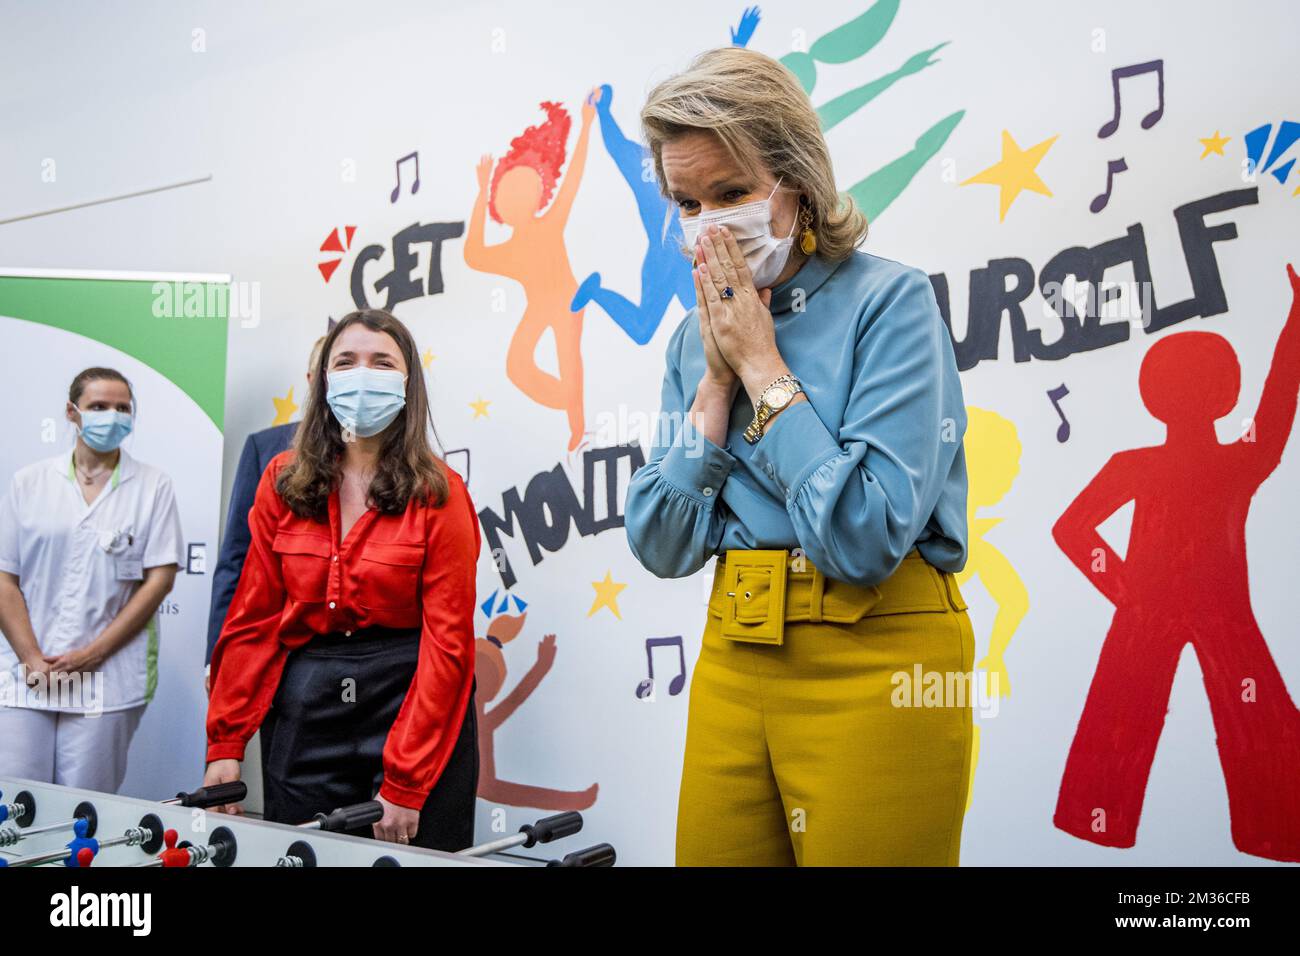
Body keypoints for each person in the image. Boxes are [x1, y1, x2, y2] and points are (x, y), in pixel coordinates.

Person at [624, 47, 973, 866]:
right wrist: (713, 386)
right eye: (686, 201)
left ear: (799, 183)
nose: (709, 222)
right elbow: (663, 544)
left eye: (734, 192)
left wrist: (762, 368)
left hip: (879, 656)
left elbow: (862, 534)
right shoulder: (689, 339)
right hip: (733, 651)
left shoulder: (891, 303)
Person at [203, 310, 481, 850]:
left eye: (382, 363)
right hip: (306, 710)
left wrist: (405, 782)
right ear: (323, 379)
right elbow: (254, 619)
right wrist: (225, 742)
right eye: (346, 361)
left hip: (411, 704)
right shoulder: (281, 481)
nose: (362, 374)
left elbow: (448, 644)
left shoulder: (441, 494)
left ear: (408, 383)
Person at [0, 367, 183, 791]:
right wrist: (30, 658)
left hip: (107, 677)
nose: (112, 416)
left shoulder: (153, 485)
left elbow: (159, 580)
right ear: (72, 412)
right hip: (27, 675)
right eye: (99, 407)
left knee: (86, 809)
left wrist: (92, 655)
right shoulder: (29, 483)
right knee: (17, 804)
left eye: (123, 408)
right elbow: (5, 577)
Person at [203, 336, 325, 795]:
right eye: (339, 367)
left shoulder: (402, 462)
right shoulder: (267, 449)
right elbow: (236, 559)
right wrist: (219, 653)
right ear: (314, 379)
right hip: (279, 647)